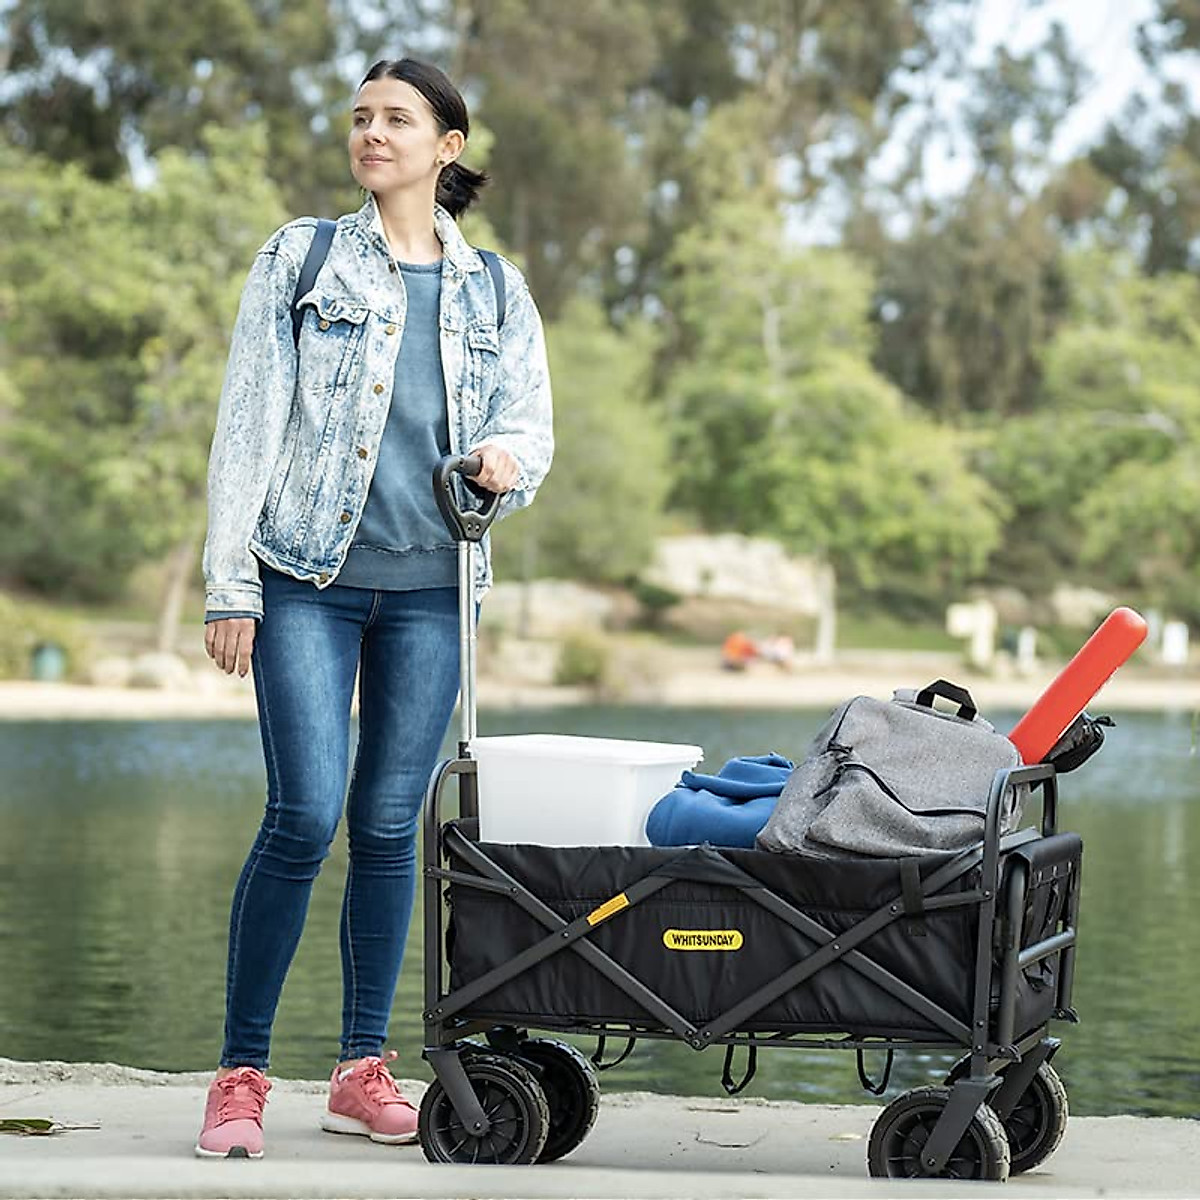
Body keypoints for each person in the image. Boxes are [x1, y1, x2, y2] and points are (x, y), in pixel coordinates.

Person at [195, 56, 553, 1159]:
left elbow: (532, 427)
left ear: (448, 146)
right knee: (304, 814)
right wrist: (229, 581)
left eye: (397, 118)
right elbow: (247, 422)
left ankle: (361, 1068)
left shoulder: (493, 287)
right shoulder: (301, 258)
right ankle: (240, 1076)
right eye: (361, 117)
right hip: (306, 578)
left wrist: (505, 459)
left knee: (392, 826)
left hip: (434, 595)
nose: (372, 133)